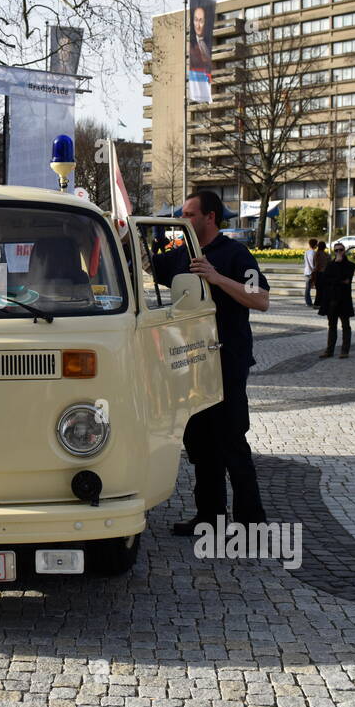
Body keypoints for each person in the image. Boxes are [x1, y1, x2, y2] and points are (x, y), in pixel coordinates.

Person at [153, 191, 270, 533]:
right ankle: (210, 518)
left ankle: (251, 523)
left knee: (232, 441)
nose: (183, 219)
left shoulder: (235, 253)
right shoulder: (181, 255)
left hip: (226, 362)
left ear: (210, 217)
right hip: (189, 363)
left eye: (189, 214)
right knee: (200, 445)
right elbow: (142, 263)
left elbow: (261, 298)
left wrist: (217, 278)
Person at [318, 243, 355, 358]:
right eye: (336, 250)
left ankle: (345, 350)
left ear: (344, 251)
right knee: (332, 325)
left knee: (345, 325)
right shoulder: (330, 265)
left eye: (341, 250)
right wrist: (339, 281)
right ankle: (329, 350)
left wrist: (335, 278)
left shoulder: (350, 265)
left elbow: (346, 278)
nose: (338, 252)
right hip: (331, 299)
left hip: (344, 299)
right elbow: (325, 280)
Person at [188, 5, 212, 74]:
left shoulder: (206, 43)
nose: (198, 26)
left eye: (201, 21)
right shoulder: (191, 44)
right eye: (196, 20)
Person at [311, 240, 330, 311]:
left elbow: (314, 264)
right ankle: (320, 303)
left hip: (317, 273)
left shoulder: (316, 254)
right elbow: (329, 264)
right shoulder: (326, 255)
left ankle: (317, 303)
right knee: (323, 290)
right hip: (324, 273)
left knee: (318, 290)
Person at [302, 237, 318, 307]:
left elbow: (306, 262)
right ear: (315, 245)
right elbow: (312, 263)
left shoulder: (306, 252)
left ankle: (308, 302)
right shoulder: (314, 253)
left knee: (307, 289)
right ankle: (315, 302)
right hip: (312, 272)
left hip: (306, 271)